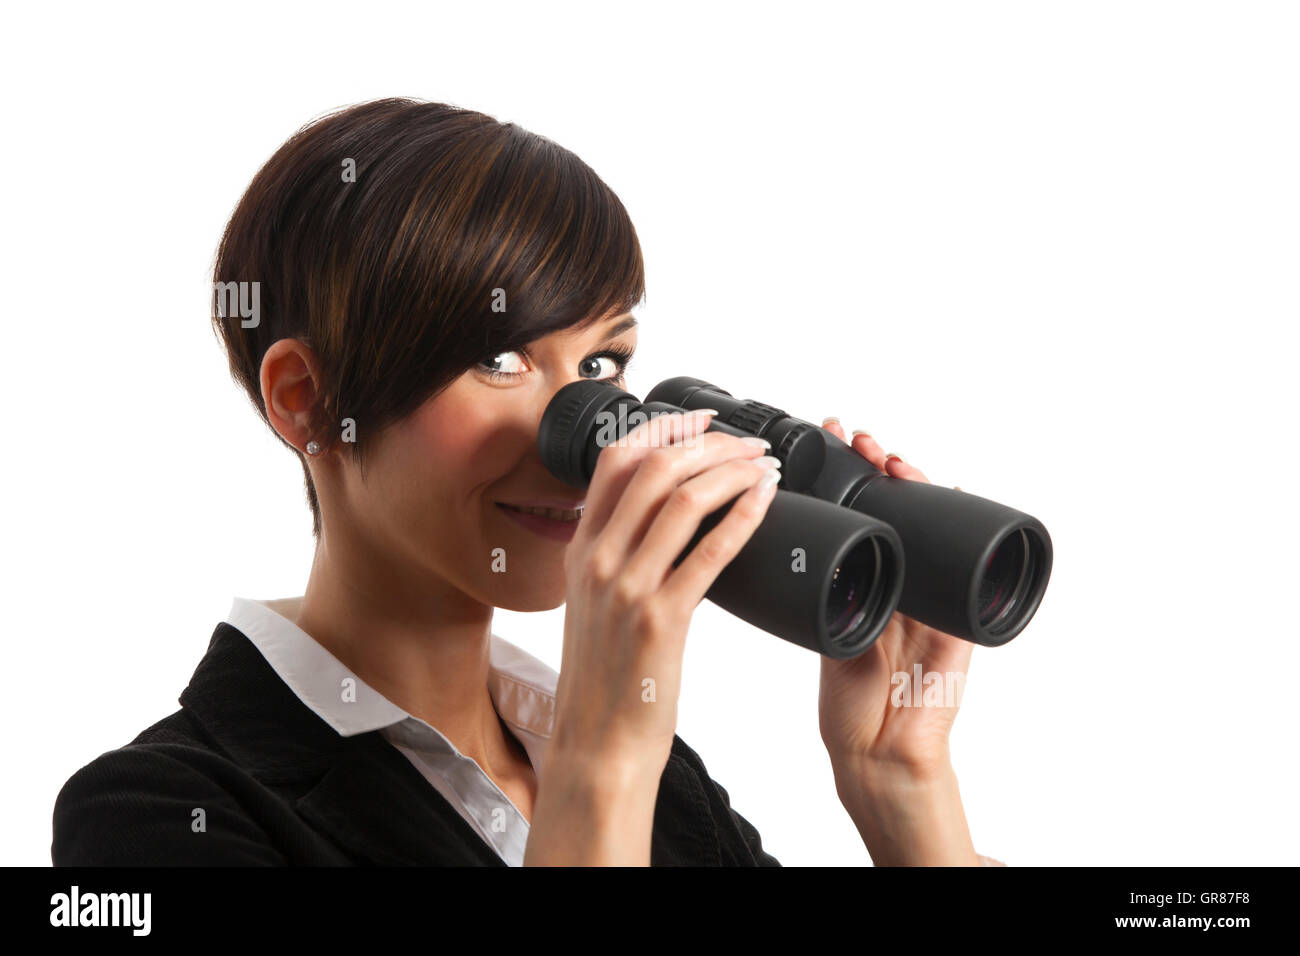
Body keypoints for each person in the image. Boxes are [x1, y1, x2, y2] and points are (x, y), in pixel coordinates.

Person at [51, 97, 1003, 866]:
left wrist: (901, 785)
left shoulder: (659, 781)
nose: (578, 437)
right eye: (501, 359)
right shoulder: (161, 813)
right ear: (306, 400)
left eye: (602, 367)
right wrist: (599, 767)